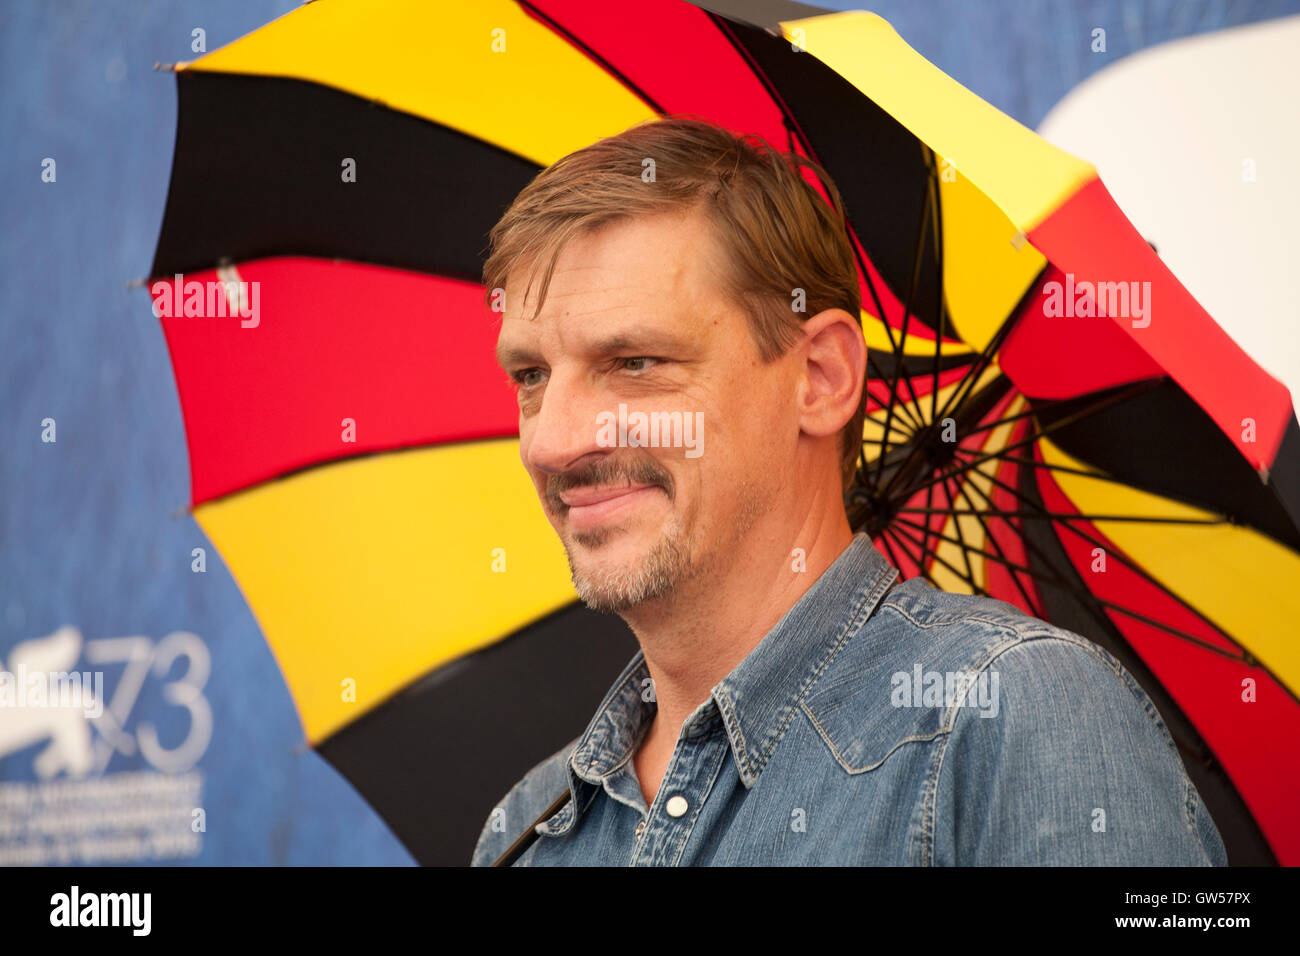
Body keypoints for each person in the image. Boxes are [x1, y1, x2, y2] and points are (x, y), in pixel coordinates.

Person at [470, 115, 1227, 866]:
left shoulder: (1013, 717)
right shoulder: (529, 833)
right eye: (531, 376)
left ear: (820, 379)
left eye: (635, 362)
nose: (552, 441)